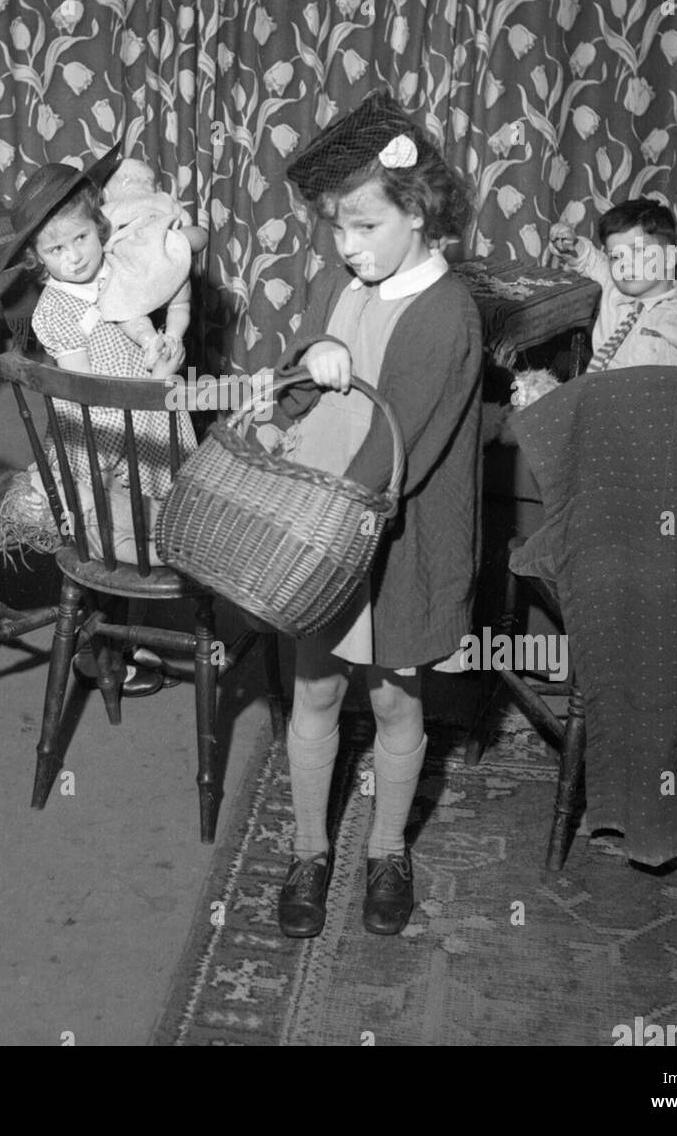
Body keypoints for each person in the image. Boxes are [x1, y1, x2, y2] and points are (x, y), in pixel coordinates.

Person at [272, 90, 483, 938]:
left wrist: (313, 529)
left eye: (365, 228)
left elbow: (395, 456)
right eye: (336, 229)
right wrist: (307, 356)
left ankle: (387, 848)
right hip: (325, 529)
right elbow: (289, 397)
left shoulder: (445, 315)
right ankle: (309, 846)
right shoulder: (335, 281)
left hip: (391, 538)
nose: (347, 248)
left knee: (396, 704)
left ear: (419, 212)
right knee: (313, 689)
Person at [0, 150, 196, 696]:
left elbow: (178, 268)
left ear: (98, 228)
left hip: (144, 414)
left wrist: (163, 353)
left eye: (80, 239)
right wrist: (147, 387)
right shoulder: (53, 311)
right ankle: (94, 644)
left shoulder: (119, 268)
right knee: (97, 530)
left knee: (132, 529)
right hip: (100, 429)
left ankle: (121, 636)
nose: (74, 258)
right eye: (55, 250)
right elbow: (87, 392)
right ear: (39, 260)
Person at [548, 198, 677, 370]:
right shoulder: (614, 284)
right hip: (598, 390)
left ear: (669, 258)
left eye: (638, 251)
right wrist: (571, 246)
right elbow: (590, 259)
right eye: (615, 256)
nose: (624, 264)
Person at [96, 158, 208, 377]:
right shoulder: (166, 200)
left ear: (106, 194)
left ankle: (149, 341)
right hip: (172, 263)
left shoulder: (107, 210)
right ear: (156, 187)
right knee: (180, 306)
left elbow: (100, 240)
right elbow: (185, 222)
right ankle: (174, 336)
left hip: (134, 271)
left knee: (123, 310)